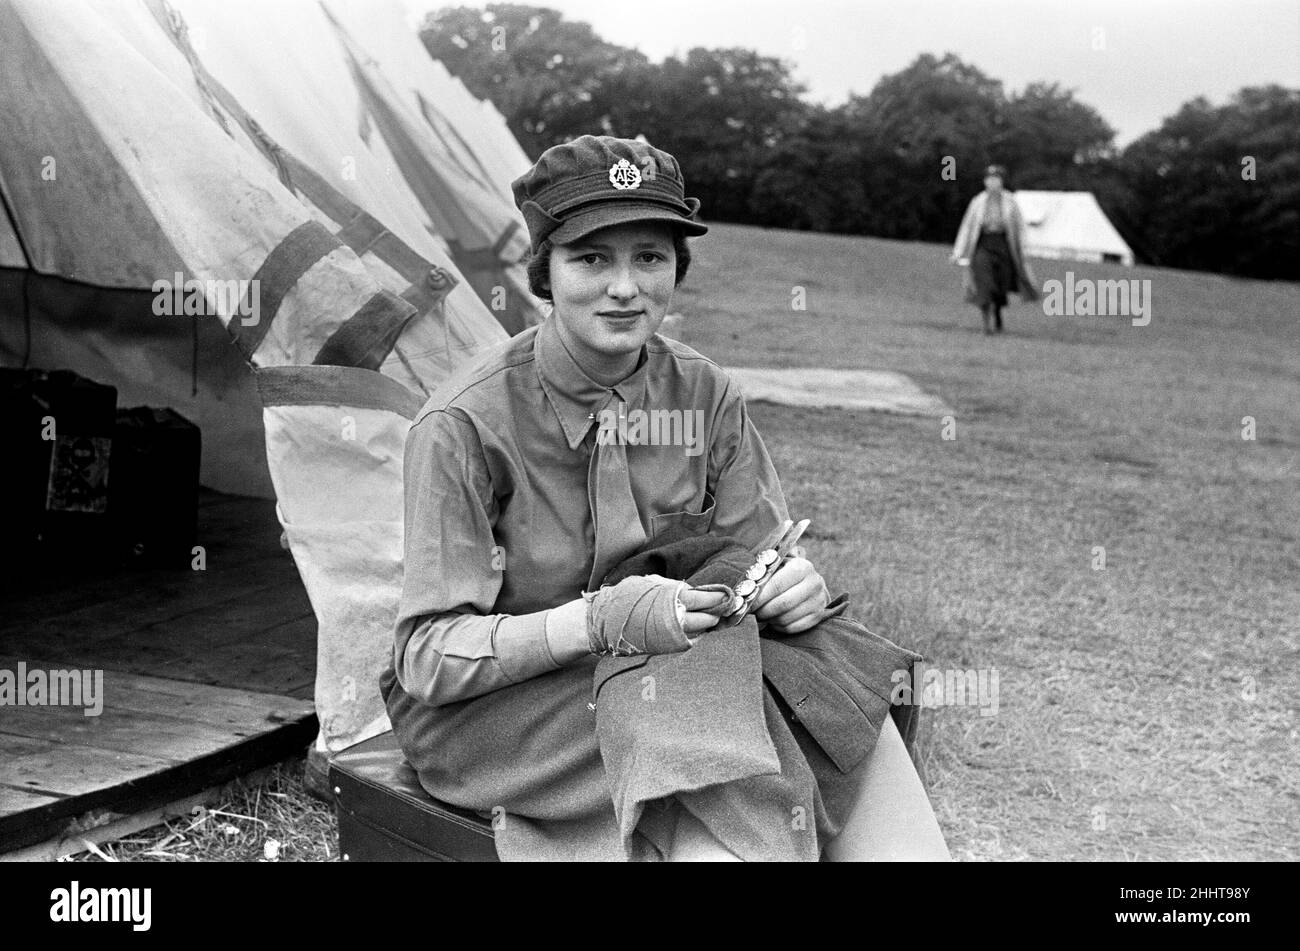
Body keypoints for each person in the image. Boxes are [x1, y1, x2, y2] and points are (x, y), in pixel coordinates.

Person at [380, 134, 950, 861]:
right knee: (723, 730)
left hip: (678, 667)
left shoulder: (705, 393)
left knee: (839, 681)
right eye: (592, 258)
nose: (626, 287)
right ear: (544, 273)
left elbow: (760, 555)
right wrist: (593, 621)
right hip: (505, 706)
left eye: (650, 257)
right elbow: (427, 657)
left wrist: (795, 587)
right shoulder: (462, 425)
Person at [951, 164, 1038, 334]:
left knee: (1000, 283)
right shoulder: (978, 202)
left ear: (1001, 181)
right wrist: (958, 251)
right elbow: (967, 227)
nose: (992, 183)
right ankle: (986, 324)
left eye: (996, 179)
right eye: (989, 179)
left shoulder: (1010, 201)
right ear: (985, 182)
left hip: (1003, 244)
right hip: (983, 244)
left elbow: (1020, 228)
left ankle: (997, 312)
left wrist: (1025, 249)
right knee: (984, 283)